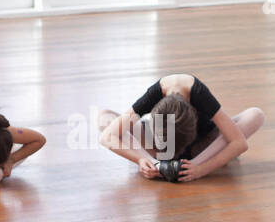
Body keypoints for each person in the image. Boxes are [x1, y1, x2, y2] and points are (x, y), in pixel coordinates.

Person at [96, 73, 264, 181]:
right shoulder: (154, 94)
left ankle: (184, 168)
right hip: (159, 150)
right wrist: (142, 160)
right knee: (104, 117)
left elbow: (239, 143)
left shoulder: (199, 94)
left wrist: (199, 170)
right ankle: (159, 166)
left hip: (201, 146)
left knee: (256, 115)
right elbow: (106, 137)